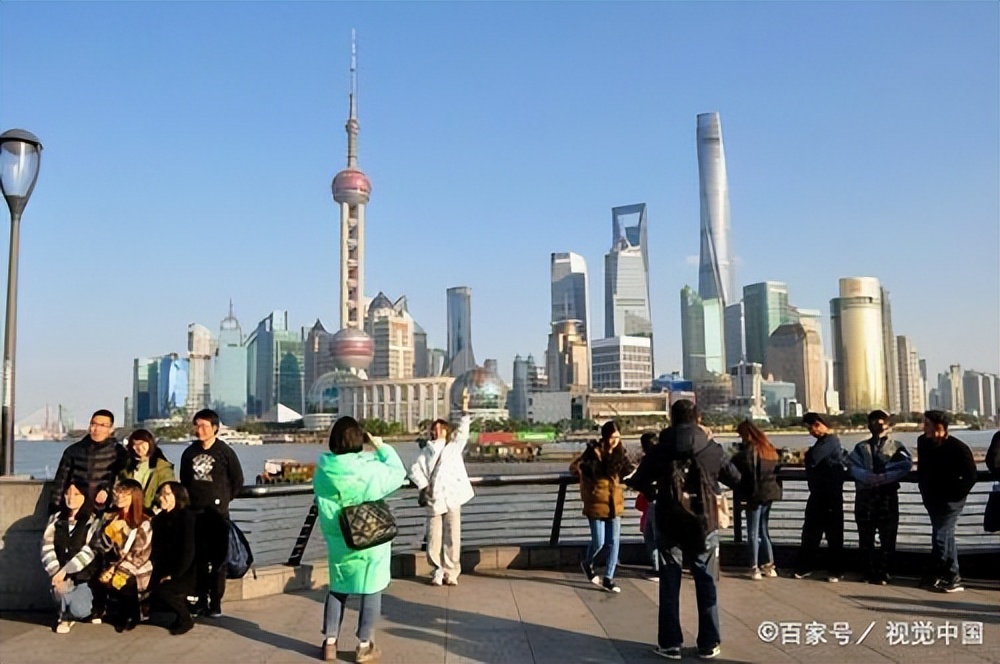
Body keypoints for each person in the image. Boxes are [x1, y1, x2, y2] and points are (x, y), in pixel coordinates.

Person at [628, 399, 740, 660]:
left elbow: (639, 479)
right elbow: (735, 478)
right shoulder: (711, 449)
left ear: (672, 419)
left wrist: (654, 491)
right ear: (698, 418)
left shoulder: (659, 449)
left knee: (669, 582)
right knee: (706, 580)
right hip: (705, 523)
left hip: (669, 522)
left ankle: (670, 643)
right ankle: (709, 642)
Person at [314, 416, 407, 662]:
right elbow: (398, 473)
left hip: (339, 537)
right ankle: (364, 645)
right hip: (371, 535)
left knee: (337, 587)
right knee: (371, 588)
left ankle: (330, 643)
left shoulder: (323, 469)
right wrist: (380, 446)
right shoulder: (369, 467)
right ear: (358, 439)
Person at [179, 408, 244, 618]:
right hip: (194, 515)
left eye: (205, 426)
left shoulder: (224, 452)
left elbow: (237, 480)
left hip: (217, 516)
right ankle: (199, 600)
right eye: (197, 425)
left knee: (218, 562)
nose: (200, 430)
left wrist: (224, 500)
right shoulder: (189, 453)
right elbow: (184, 481)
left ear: (215, 428)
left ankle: (215, 603)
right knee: (197, 560)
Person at [409, 390, 473, 587]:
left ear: (446, 431)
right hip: (435, 498)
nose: (435, 432)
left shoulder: (454, 447)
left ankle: (452, 571)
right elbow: (414, 471)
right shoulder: (426, 452)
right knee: (434, 537)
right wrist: (424, 486)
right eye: (433, 429)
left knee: (453, 536)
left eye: (439, 429)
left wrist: (464, 408)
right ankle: (437, 569)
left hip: (453, 497)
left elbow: (463, 429)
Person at [846, 410, 912, 585]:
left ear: (888, 426)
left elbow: (905, 465)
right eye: (874, 423)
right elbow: (851, 466)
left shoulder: (897, 446)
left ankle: (884, 571)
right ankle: (867, 571)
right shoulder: (860, 447)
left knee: (888, 536)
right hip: (865, 496)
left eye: (881, 423)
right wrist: (867, 477)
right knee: (865, 535)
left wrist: (884, 477)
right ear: (869, 426)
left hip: (887, 496)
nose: (877, 426)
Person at [570, 420, 636, 593]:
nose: (615, 441)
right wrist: (584, 473)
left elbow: (629, 472)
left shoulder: (621, 454)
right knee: (599, 542)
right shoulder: (593, 452)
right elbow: (575, 467)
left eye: (617, 437)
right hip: (596, 502)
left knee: (613, 542)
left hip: (615, 503)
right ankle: (587, 562)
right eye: (612, 437)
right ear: (605, 437)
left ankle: (609, 577)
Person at [916, 410, 977, 593]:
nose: (923, 427)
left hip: (951, 501)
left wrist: (956, 494)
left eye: (926, 424)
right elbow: (924, 469)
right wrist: (925, 491)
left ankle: (942, 574)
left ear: (938, 426)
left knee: (941, 536)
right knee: (946, 535)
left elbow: (970, 476)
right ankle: (950, 576)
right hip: (932, 499)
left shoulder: (958, 447)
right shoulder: (923, 442)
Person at [41, 479, 103, 633]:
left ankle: (86, 611)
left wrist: (66, 570)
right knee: (60, 590)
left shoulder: (92, 520)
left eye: (76, 494)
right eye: (67, 493)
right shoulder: (55, 519)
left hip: (84, 577)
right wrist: (56, 571)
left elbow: (90, 551)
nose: (71, 497)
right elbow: (46, 547)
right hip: (61, 576)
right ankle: (64, 617)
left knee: (80, 610)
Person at [92, 479, 153, 632]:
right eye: (118, 494)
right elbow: (100, 546)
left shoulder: (144, 521)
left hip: (137, 566)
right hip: (115, 563)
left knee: (123, 579)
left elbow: (141, 553)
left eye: (125, 495)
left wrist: (118, 569)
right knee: (108, 577)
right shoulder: (110, 517)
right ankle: (116, 612)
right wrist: (110, 533)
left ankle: (132, 614)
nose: (120, 498)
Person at [793, 412, 847, 583]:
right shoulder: (823, 442)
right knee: (812, 532)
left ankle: (834, 570)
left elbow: (813, 458)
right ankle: (808, 566)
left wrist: (807, 455)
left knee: (831, 534)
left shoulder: (830, 441)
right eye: (810, 427)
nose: (812, 430)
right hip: (819, 494)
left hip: (829, 495)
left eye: (815, 425)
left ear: (825, 425)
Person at [731, 420, 782, 580]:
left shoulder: (749, 451)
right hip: (770, 493)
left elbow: (741, 470)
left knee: (752, 531)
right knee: (763, 530)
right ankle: (769, 565)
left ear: (746, 434)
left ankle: (754, 567)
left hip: (755, 493)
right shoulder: (769, 449)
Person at [50, 409, 127, 514]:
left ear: (111, 429)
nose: (97, 429)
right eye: (94, 424)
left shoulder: (119, 452)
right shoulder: (73, 451)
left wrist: (107, 490)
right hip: (75, 507)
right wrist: (55, 507)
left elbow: (122, 478)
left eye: (102, 425)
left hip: (105, 507)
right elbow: (61, 480)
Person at [150, 482, 198, 635]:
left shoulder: (186, 518)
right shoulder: (159, 520)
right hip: (164, 567)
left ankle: (185, 618)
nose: (162, 498)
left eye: (167, 494)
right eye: (161, 494)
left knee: (164, 591)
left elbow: (188, 552)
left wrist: (173, 575)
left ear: (177, 497)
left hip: (186, 571)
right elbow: (157, 550)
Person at [120, 429, 175, 512]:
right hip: (130, 511)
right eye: (135, 445)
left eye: (142, 444)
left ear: (150, 443)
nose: (138, 448)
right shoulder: (128, 466)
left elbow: (167, 486)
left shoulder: (162, 467)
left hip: (151, 511)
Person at [635, 432, 660, 581]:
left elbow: (638, 478)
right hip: (659, 501)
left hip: (654, 502)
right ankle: (659, 567)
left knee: (651, 535)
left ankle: (659, 569)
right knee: (654, 535)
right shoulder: (664, 458)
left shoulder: (649, 460)